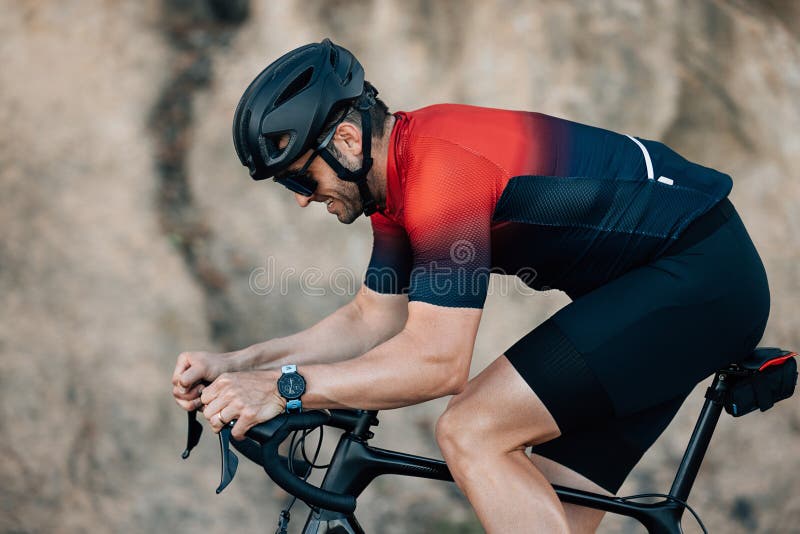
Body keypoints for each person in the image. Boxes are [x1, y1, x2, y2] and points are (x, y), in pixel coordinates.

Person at [172, 39, 770, 533]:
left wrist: (286, 389)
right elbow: (369, 319)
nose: (303, 198)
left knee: (472, 428)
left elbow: (438, 363)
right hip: (657, 290)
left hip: (698, 276)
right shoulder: (398, 185)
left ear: (347, 143)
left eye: (299, 176)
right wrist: (238, 365)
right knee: (541, 510)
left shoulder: (442, 171)